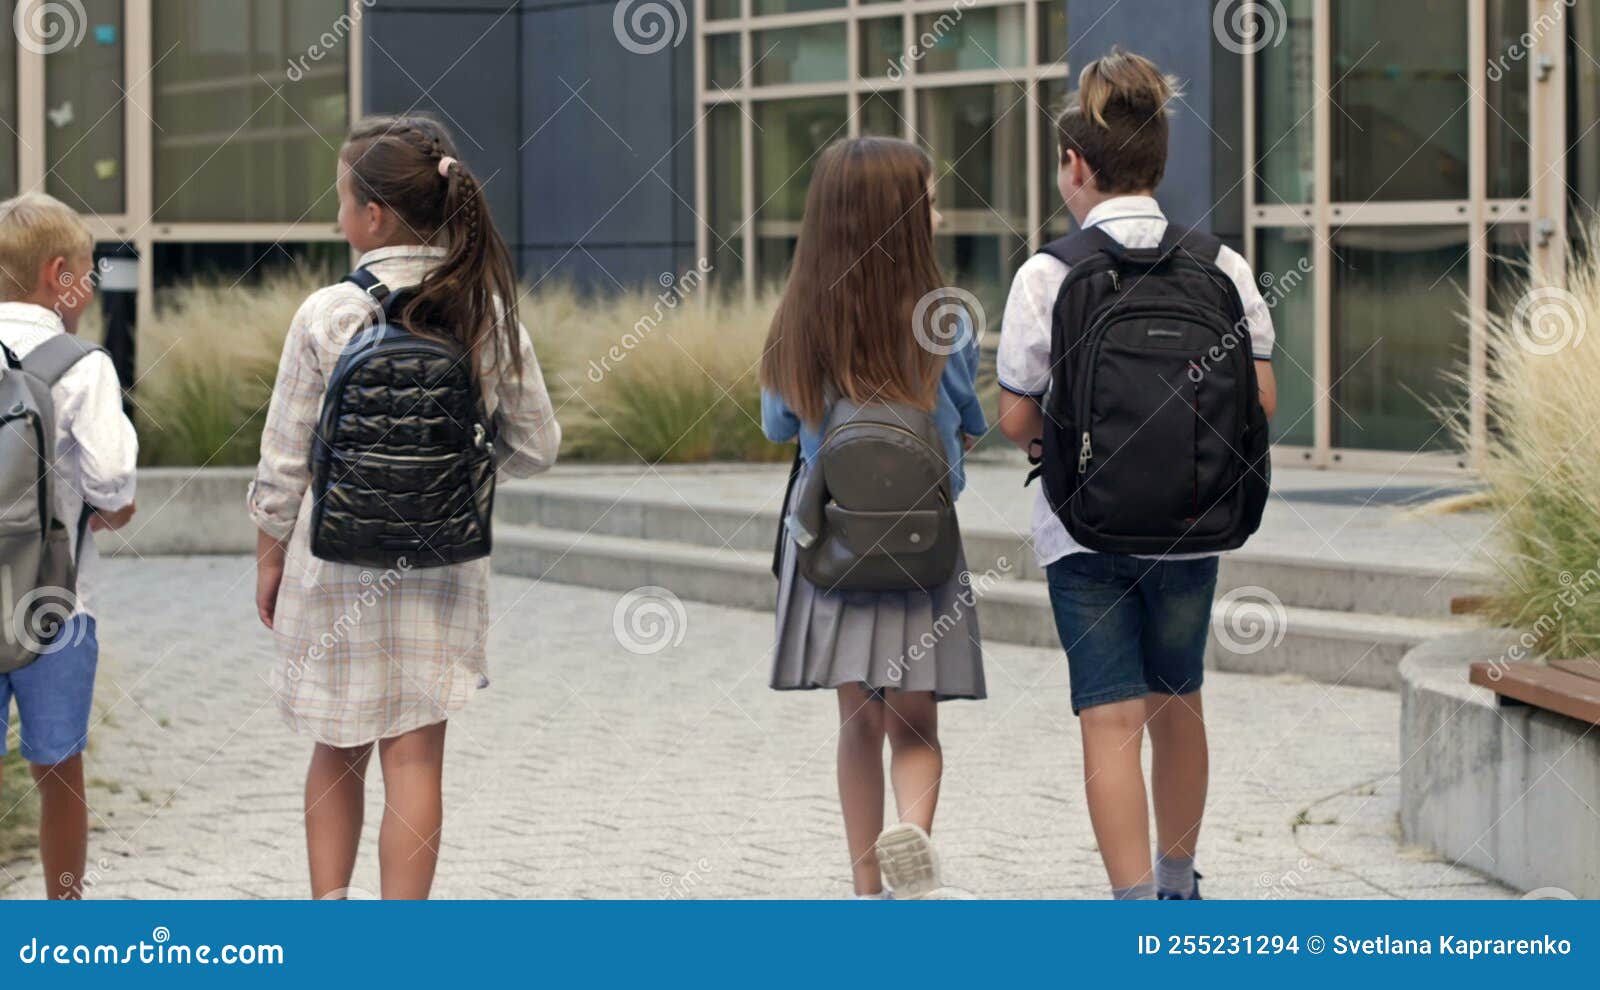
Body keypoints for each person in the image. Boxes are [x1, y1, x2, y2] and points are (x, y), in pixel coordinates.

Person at [250, 116, 561, 899]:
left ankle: (329, 919)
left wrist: (268, 556)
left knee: (334, 743)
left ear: (375, 216)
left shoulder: (326, 313)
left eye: (343, 199)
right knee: (415, 757)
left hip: (334, 563)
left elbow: (284, 459)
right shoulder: (484, 309)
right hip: (442, 567)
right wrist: (468, 460)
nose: (337, 215)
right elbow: (538, 445)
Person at [995, 51, 1279, 900]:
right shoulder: (1219, 264)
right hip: (1195, 523)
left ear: (1077, 166)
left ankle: (1130, 915)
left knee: (1108, 716)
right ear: (1158, 160)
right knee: (1178, 699)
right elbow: (1259, 396)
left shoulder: (1050, 271)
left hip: (1081, 529)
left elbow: (1015, 417)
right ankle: (1179, 885)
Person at [761, 136, 988, 900]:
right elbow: (969, 428)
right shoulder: (946, 318)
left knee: (858, 718)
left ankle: (867, 890)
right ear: (901, 219)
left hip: (832, 546)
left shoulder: (797, 317)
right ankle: (913, 835)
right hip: (922, 547)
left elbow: (775, 428)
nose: (938, 208)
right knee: (916, 724)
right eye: (927, 198)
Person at [0, 192, 138, 900]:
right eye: (89, 276)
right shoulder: (84, 364)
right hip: (55, 604)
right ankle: (64, 925)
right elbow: (112, 481)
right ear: (60, 276)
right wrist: (110, 507)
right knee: (59, 771)